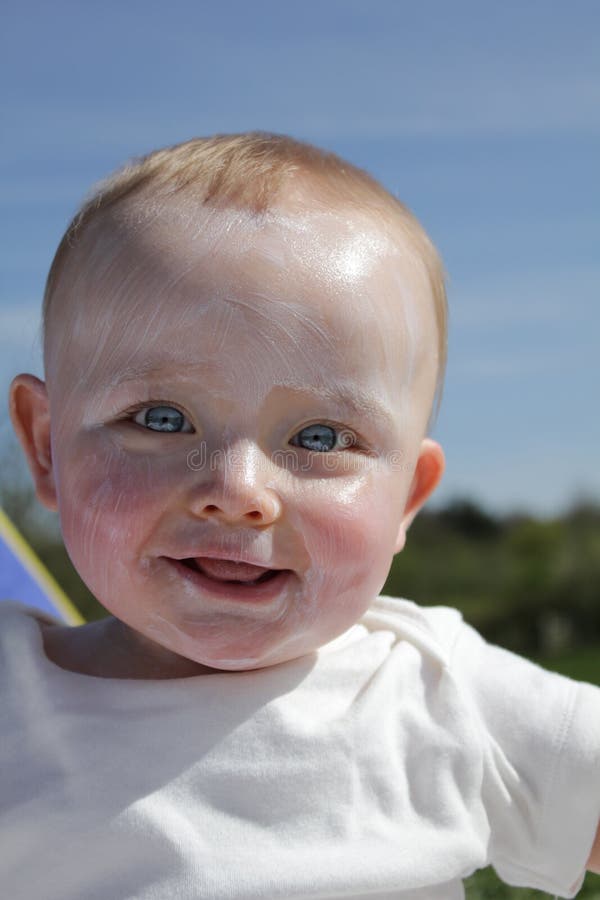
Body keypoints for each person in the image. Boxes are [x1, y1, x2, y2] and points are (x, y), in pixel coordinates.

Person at [2, 132, 599, 899]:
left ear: (407, 498)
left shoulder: (435, 690)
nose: (239, 488)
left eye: (320, 438)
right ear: (47, 449)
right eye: (159, 418)